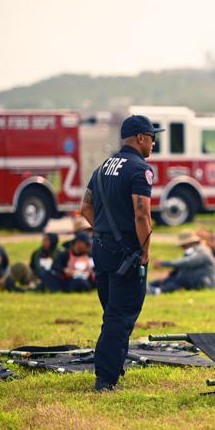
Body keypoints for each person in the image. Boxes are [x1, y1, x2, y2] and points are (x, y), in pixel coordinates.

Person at [80, 114, 162, 392]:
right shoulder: (140, 169)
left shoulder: (102, 167)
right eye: (152, 137)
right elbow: (142, 214)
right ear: (140, 138)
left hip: (101, 249)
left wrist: (104, 231)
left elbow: (85, 207)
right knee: (121, 314)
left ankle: (114, 365)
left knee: (112, 311)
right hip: (127, 253)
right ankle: (106, 378)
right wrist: (145, 250)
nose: (154, 143)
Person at [149, 231, 215, 293]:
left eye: (183, 245)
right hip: (197, 280)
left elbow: (188, 262)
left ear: (189, 243)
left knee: (180, 279)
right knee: (170, 279)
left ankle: (158, 291)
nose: (182, 247)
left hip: (205, 283)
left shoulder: (203, 251)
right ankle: (153, 288)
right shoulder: (194, 251)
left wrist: (164, 263)